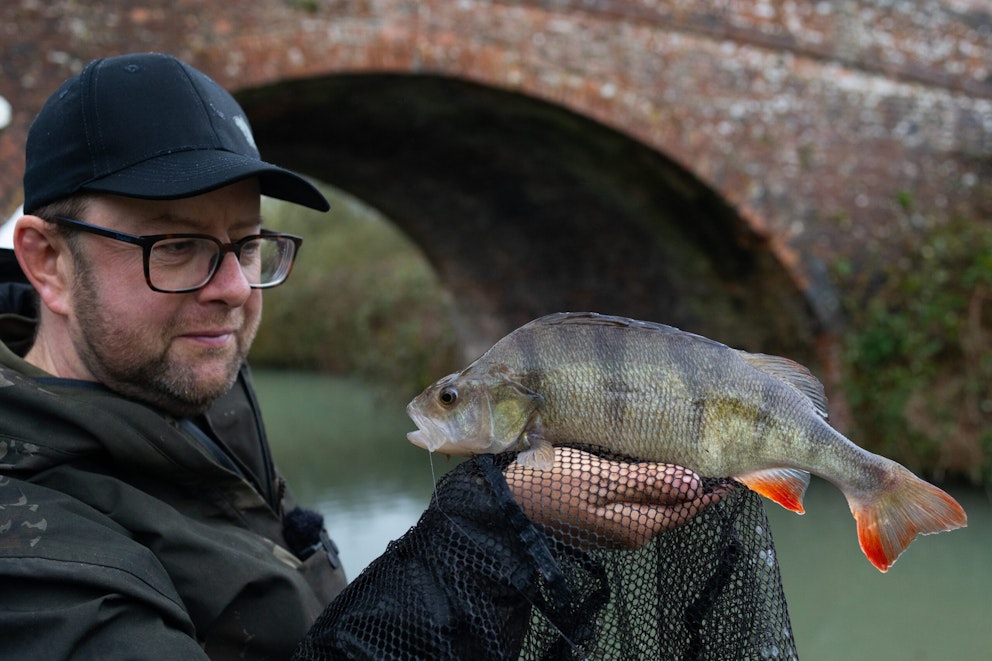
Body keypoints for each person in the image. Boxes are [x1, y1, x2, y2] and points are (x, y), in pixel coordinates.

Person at [0, 53, 759, 659]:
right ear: (46, 262)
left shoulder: (187, 388)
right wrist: (492, 534)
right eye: (176, 245)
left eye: (247, 242)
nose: (233, 288)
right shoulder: (28, 563)